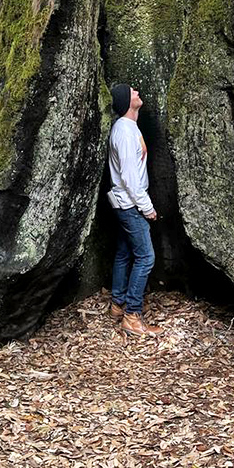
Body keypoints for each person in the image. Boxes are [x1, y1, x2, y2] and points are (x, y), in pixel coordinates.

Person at [107, 83, 162, 337]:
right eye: (132, 91)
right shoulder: (124, 132)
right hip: (130, 204)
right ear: (125, 101)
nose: (137, 92)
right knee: (146, 257)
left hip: (125, 203)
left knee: (124, 252)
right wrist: (147, 207)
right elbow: (130, 178)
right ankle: (132, 315)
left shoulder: (128, 127)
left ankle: (117, 304)